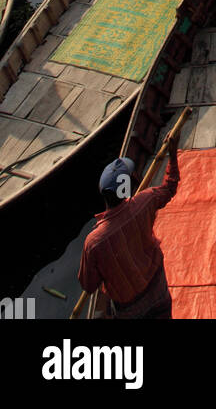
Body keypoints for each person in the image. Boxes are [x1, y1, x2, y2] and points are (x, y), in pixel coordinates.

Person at [77, 136, 181, 320]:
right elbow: (170, 186)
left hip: (130, 309)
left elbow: (88, 285)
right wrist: (173, 153)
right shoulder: (144, 201)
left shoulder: (94, 242)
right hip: (158, 290)